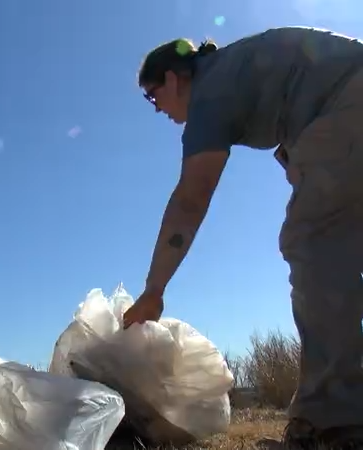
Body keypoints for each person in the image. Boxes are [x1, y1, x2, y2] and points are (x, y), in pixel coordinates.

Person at [124, 27, 363, 448]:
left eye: (152, 94)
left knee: (313, 245)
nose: (157, 108)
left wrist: (153, 290)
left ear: (176, 77)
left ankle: (335, 423)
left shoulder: (210, 93)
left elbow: (191, 199)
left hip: (347, 101)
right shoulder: (236, 70)